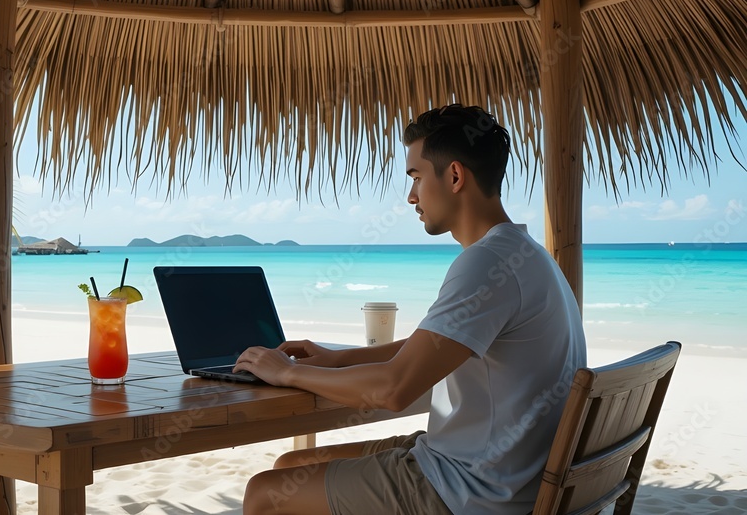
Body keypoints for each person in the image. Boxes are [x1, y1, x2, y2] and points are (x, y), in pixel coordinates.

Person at [233, 104, 587, 515]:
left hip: (472, 492)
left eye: (417, 177)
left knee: (264, 494)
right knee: (291, 465)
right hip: (497, 472)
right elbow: (432, 346)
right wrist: (338, 359)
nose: (411, 196)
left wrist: (287, 373)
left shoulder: (486, 263)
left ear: (454, 176)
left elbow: (394, 389)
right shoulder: (527, 254)